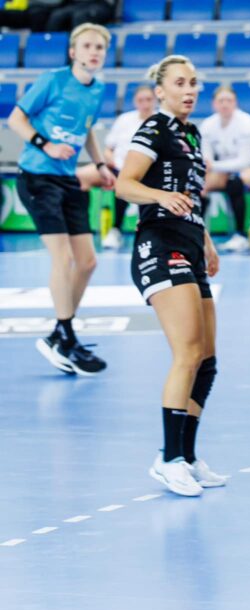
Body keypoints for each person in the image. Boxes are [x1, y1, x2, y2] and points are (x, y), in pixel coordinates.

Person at [115, 55, 227, 497]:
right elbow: (124, 184)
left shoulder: (191, 132)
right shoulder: (154, 129)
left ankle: (187, 454)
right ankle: (168, 459)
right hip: (159, 245)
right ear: (160, 90)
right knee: (187, 352)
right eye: (180, 83)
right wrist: (161, 196)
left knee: (208, 360)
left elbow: (193, 198)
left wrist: (208, 241)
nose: (190, 90)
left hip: (190, 244)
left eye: (194, 83)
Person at [8, 22, 115, 376]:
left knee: (87, 262)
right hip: (37, 176)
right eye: (86, 46)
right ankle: (67, 334)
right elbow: (15, 118)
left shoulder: (98, 89)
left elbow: (87, 131)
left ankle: (59, 332)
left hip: (68, 179)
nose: (93, 52)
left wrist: (100, 164)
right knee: (64, 258)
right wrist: (46, 144)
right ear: (73, 51)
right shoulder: (52, 80)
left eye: (99, 47)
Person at [199, 86, 250, 253]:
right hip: (223, 168)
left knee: (235, 181)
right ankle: (197, 235)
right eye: (221, 101)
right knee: (198, 185)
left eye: (229, 101)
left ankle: (240, 235)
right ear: (214, 104)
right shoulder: (208, 125)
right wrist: (208, 169)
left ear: (235, 103)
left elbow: (244, 161)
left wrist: (214, 166)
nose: (225, 105)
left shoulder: (247, 124)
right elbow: (206, 158)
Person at [91, 84, 157, 251]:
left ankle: (151, 232)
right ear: (135, 102)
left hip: (151, 171)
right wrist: (110, 160)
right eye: (141, 100)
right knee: (114, 181)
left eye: (149, 99)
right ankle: (114, 230)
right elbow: (107, 149)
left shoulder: (160, 121)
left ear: (155, 101)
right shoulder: (124, 120)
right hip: (120, 168)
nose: (145, 104)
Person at [0, 0, 113, 32]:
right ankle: (47, 53)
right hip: (74, 4)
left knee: (80, 17)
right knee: (56, 17)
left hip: (99, 3)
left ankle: (77, 62)